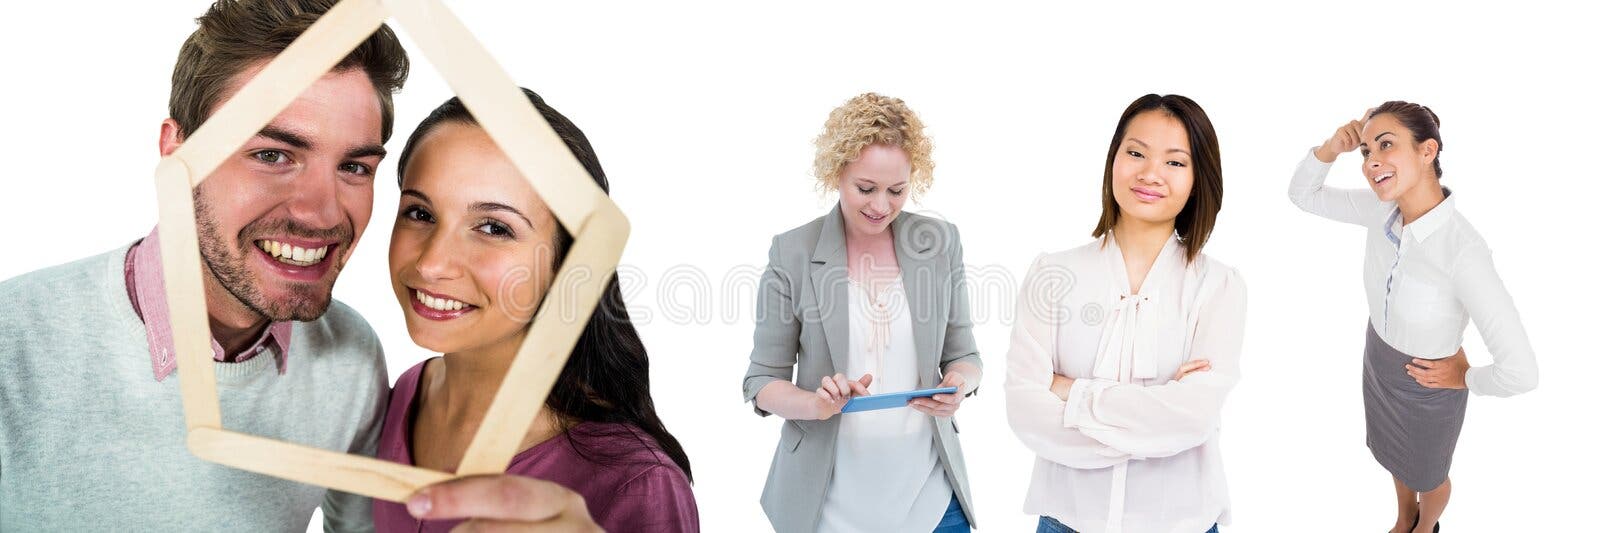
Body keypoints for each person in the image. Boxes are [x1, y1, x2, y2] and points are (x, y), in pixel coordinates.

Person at [371, 89, 698, 532]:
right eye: (420, 213)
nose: (431, 263)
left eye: (493, 227)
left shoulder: (637, 482)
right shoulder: (406, 393)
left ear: (569, 262)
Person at [1288, 102, 1539, 533]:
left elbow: (1522, 373)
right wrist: (1332, 148)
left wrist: (1466, 377)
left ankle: (1427, 527)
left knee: (1429, 475)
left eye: (1386, 145)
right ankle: (1405, 518)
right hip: (1379, 361)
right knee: (1393, 456)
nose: (1372, 162)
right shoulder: (1379, 210)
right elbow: (1302, 195)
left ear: (1427, 151)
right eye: (1366, 151)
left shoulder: (1463, 252)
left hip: (1428, 383)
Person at [1005, 94, 1244, 533]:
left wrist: (1070, 391)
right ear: (1113, 159)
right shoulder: (1052, 273)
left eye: (1175, 162)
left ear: (1198, 178)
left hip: (1183, 522)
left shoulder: (1219, 286)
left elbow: (1194, 417)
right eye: (1136, 153)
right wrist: (1157, 417)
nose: (1150, 174)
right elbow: (1025, 411)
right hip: (1066, 520)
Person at [742, 93, 980, 532]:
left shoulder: (939, 242)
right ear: (837, 174)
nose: (881, 206)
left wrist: (958, 385)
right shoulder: (793, 252)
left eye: (897, 190)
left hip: (930, 498)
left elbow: (965, 355)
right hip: (826, 504)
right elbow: (761, 381)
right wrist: (815, 403)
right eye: (865, 188)